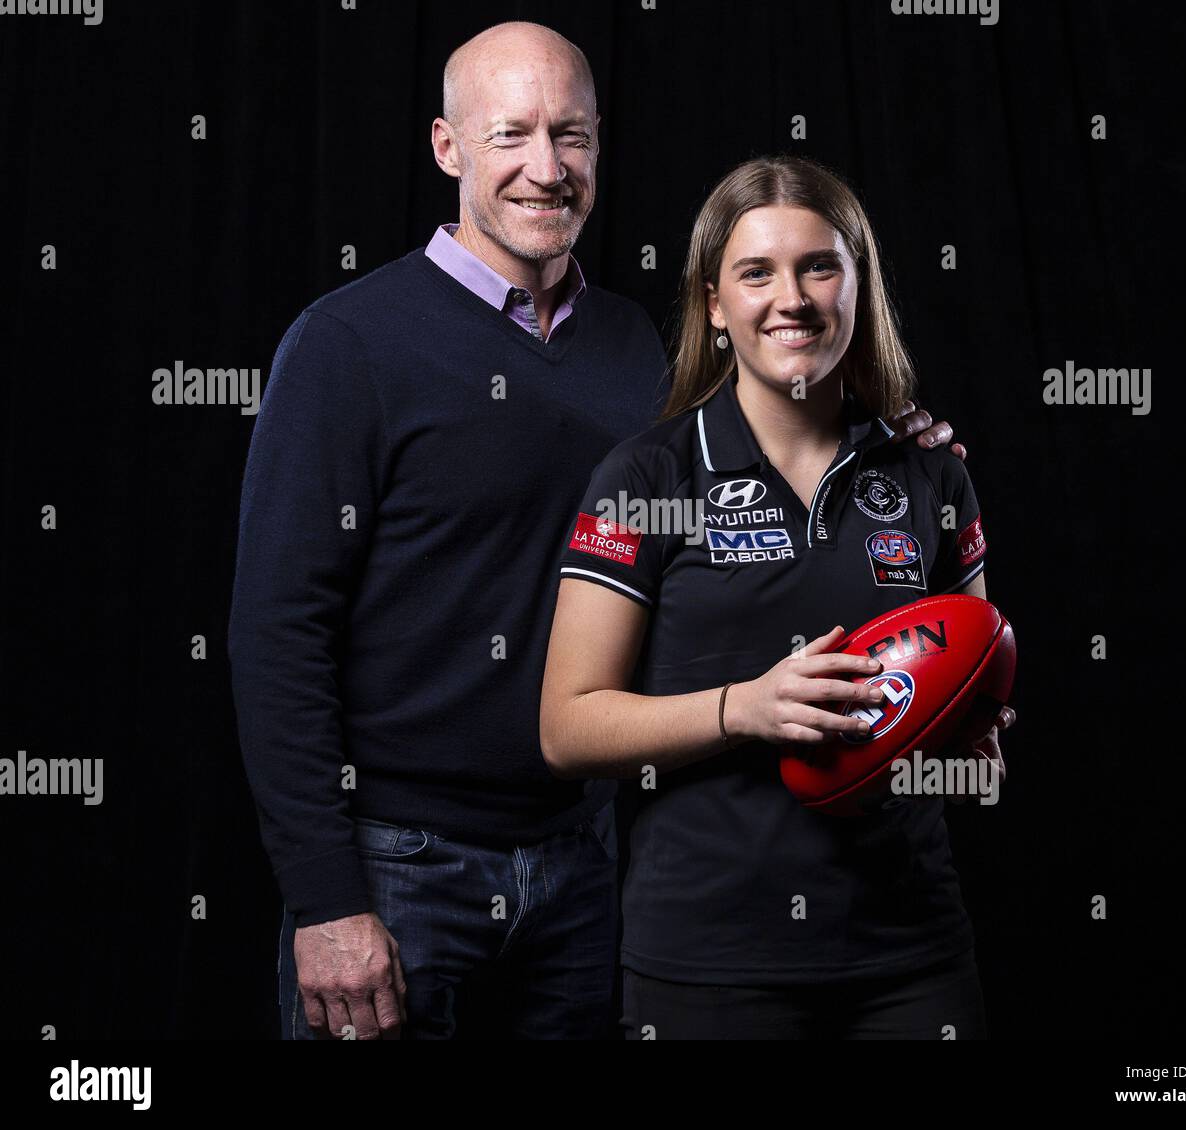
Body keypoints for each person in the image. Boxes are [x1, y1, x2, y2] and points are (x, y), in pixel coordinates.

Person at [229, 21, 960, 1041]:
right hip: (400, 867)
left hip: (588, 865)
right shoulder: (347, 343)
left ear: (599, 144)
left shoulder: (640, 352)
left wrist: (898, 439)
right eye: (511, 135)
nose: (545, 168)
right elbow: (276, 633)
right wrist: (325, 894)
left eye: (569, 135)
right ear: (448, 148)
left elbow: (770, 487)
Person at [540, 154, 1013, 1040]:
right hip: (708, 961)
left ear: (858, 287)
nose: (790, 298)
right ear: (715, 305)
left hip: (910, 954)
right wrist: (742, 709)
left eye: (819, 266)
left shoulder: (932, 476)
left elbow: (969, 702)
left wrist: (968, 745)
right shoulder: (647, 475)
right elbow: (567, 729)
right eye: (756, 272)